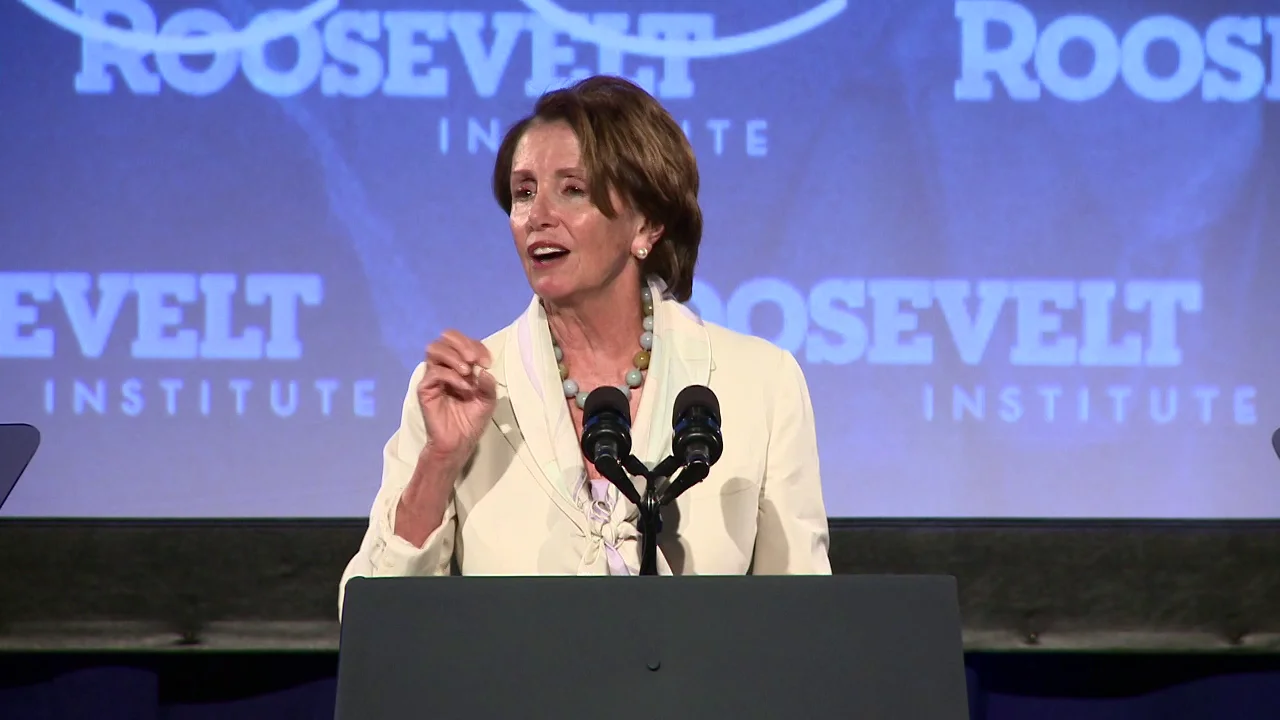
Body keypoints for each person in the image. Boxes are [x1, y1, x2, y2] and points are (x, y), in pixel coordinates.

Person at [339, 75, 830, 616]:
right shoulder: (463, 392)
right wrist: (438, 462)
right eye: (524, 192)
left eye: (572, 189)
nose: (537, 217)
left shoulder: (761, 385)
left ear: (647, 224)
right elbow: (372, 620)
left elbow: (802, 618)